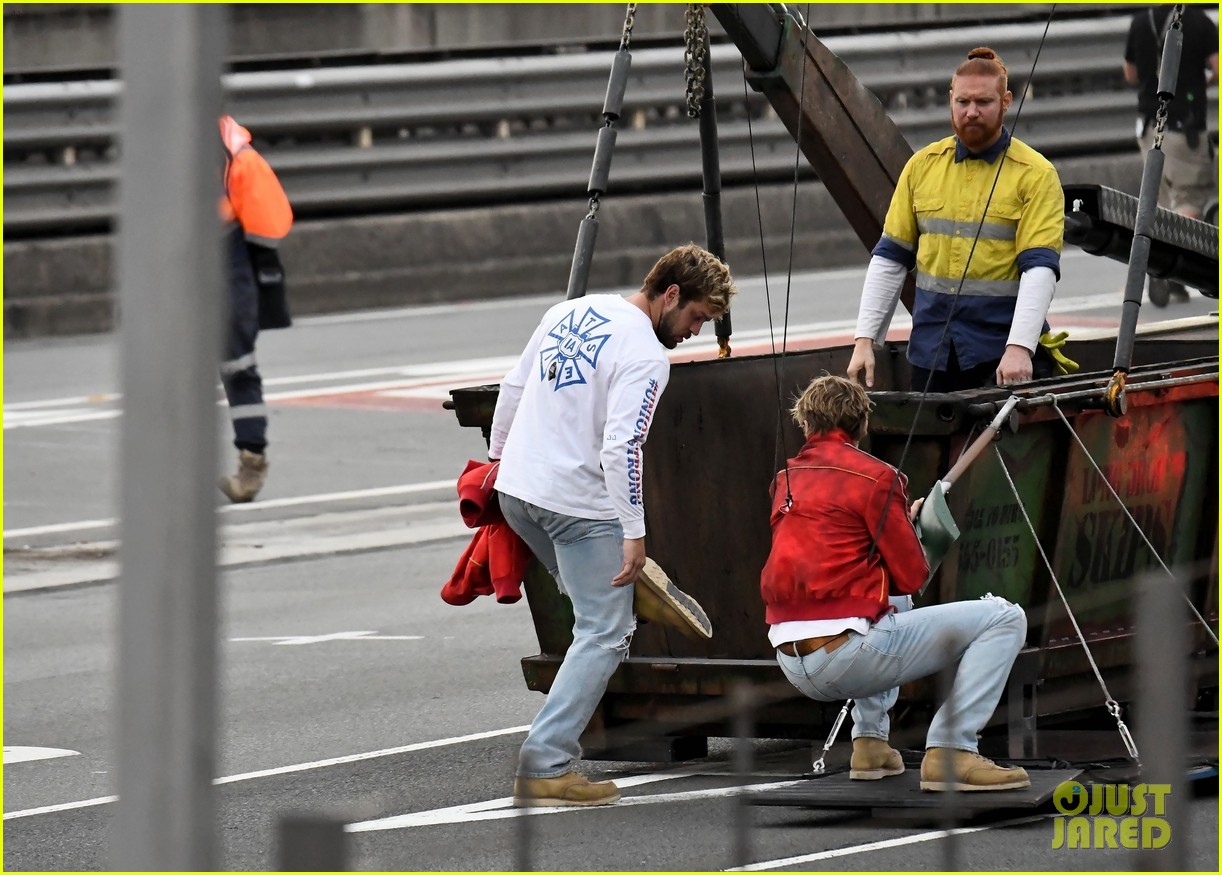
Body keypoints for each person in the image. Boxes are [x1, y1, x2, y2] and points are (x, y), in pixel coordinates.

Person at [489, 243, 736, 807]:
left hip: (518, 495)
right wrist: (634, 533)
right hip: (577, 506)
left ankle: (613, 594)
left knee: (591, 608)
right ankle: (546, 763)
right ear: (670, 295)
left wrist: (495, 464)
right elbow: (622, 446)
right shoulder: (647, 356)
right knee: (606, 631)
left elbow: (512, 388)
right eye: (696, 317)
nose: (695, 331)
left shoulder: (567, 311)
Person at [761, 375, 1031, 791]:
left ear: (805, 423)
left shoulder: (785, 480)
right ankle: (953, 749)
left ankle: (869, 743)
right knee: (1004, 618)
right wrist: (909, 527)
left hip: (792, 661)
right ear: (862, 424)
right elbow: (912, 575)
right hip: (847, 656)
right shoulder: (879, 478)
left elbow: (833, 552)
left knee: (891, 604)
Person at [847, 47, 1064, 392]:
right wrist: (865, 339)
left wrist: (1020, 347)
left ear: (1006, 101)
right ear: (951, 99)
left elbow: (1039, 269)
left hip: (1000, 357)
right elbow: (889, 258)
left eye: (983, 102)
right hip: (932, 355)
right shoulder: (922, 167)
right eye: (963, 102)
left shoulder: (1036, 175)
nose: (972, 112)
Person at [217, 115, 293, 502]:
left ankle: (167, 468)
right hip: (225, 265)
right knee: (239, 371)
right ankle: (251, 465)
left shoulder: (157, 139)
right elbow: (270, 225)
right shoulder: (237, 153)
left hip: (171, 269)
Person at [1123, 5, 1219, 306]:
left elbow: (1130, 73)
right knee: (1190, 198)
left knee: (1161, 199)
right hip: (1185, 125)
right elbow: (1218, 68)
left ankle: (1161, 265)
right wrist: (1202, 83)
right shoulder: (1201, 22)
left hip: (1148, 124)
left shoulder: (1141, 21)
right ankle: (1174, 274)